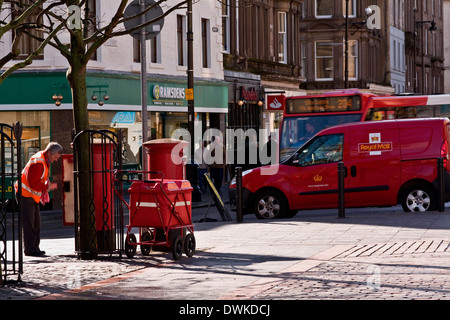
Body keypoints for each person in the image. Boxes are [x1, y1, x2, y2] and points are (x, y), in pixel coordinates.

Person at [15, 142, 63, 257]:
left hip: (30, 195)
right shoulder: (39, 162)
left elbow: (38, 180)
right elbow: (33, 183)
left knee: (35, 223)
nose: (56, 160)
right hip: (25, 195)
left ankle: (34, 247)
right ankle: (30, 249)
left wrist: (45, 186)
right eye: (55, 157)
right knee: (30, 223)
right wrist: (47, 187)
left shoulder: (43, 160)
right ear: (50, 153)